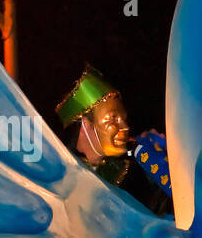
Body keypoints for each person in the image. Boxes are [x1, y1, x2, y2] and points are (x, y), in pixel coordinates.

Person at [55, 65, 172, 215]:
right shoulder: (61, 181)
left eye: (124, 118)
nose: (125, 127)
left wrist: (164, 162)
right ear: (85, 124)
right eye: (113, 119)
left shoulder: (126, 174)